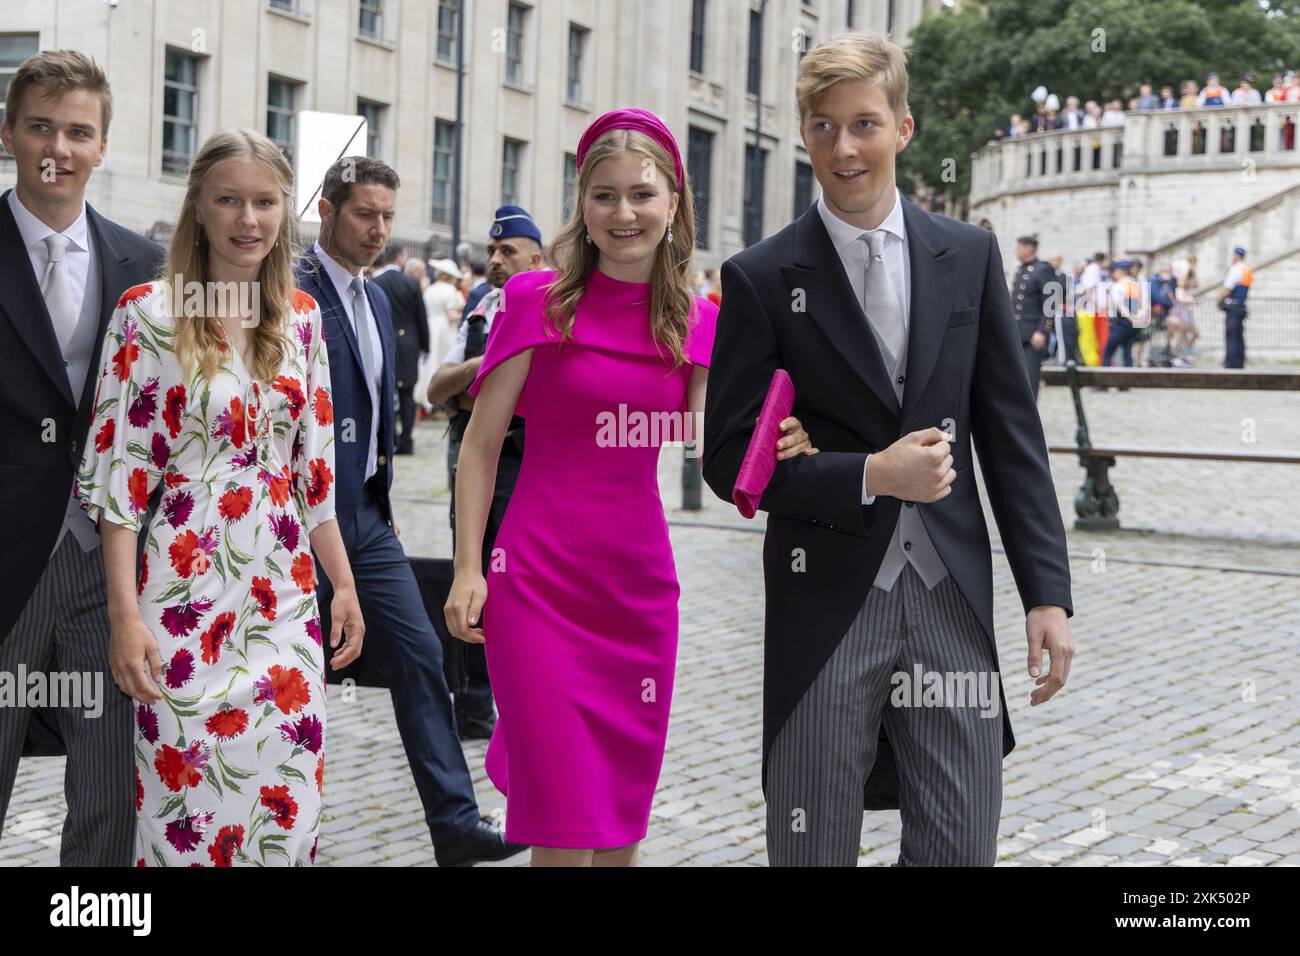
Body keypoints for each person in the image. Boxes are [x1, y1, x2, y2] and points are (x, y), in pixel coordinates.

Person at [702, 31, 1074, 868]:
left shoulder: (970, 256)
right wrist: (870, 475)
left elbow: (1012, 437)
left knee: (961, 849)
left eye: (865, 123)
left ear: (904, 129)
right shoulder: (761, 277)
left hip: (953, 603)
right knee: (812, 847)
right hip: (824, 602)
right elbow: (726, 460)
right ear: (804, 132)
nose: (845, 147)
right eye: (825, 126)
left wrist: (1047, 594)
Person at [442, 107, 815, 866]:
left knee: (617, 822)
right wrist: (469, 570)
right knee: (563, 817)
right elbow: (480, 447)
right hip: (536, 582)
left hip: (636, 592)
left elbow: (707, 449)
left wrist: (784, 441)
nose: (624, 213)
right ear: (583, 203)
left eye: (641, 194)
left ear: (674, 201)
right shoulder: (536, 302)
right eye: (604, 195)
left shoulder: (698, 322)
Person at [76, 128, 364, 866]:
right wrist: (122, 619)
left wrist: (344, 585)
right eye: (229, 200)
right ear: (198, 208)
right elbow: (117, 487)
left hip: (285, 602)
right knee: (183, 817)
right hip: (180, 601)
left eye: (266, 202)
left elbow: (316, 476)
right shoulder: (146, 315)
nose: (249, 220)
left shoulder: (301, 318)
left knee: (287, 812)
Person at [294, 157, 524, 866]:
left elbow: (380, 406)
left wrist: (380, 497)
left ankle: (454, 826)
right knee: (296, 677)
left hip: (364, 518)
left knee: (421, 654)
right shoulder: (293, 291)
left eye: (388, 216)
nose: (379, 230)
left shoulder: (380, 296)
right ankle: (278, 828)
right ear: (327, 212)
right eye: (365, 214)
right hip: (296, 523)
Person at [0, 49, 162, 866]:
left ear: (102, 145)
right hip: (4, 563)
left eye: (77, 131)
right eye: (39, 127)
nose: (57, 147)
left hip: (112, 572)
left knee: (110, 800)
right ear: (8, 135)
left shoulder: (149, 268)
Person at [427, 209, 543, 739]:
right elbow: (434, 389)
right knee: (468, 578)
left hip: (527, 467)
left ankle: (524, 701)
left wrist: (472, 384)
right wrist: (483, 367)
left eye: (509, 252)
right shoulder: (481, 310)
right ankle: (473, 710)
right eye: (492, 253)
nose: (495, 261)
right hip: (474, 465)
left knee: (519, 587)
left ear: (537, 259)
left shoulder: (551, 310)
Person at [370, 244, 429, 455]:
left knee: (386, 392)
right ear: (402, 257)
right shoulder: (411, 284)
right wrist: (425, 346)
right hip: (409, 345)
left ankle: (390, 438)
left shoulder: (376, 282)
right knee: (407, 394)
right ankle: (406, 441)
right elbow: (421, 317)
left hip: (384, 342)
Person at [1011, 235, 1058, 398]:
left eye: (1019, 248)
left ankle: (1029, 421)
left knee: (1030, 380)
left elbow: (1051, 304)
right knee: (1015, 380)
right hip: (1017, 333)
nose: (1016, 251)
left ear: (1029, 248)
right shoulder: (1021, 270)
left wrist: (1042, 331)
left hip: (1033, 335)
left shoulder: (1044, 269)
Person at [420, 257, 464, 413]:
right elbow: (452, 316)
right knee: (443, 362)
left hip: (430, 327)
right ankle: (442, 400)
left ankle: (427, 398)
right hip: (444, 329)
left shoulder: (430, 289)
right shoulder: (450, 290)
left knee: (430, 363)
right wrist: (463, 312)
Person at [1217, 246, 1251, 369]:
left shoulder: (1235, 269)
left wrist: (1219, 300)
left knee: (1231, 336)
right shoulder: (1246, 269)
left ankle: (1231, 363)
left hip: (1232, 307)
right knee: (1239, 336)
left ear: (1236, 256)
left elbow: (1228, 288)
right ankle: (1239, 362)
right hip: (1241, 306)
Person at [1103, 259, 1140, 368]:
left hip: (1122, 322)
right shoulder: (1135, 284)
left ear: (1123, 271)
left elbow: (1120, 306)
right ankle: (1127, 382)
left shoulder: (1118, 285)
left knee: (1108, 351)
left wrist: (1131, 319)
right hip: (1133, 323)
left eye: (1116, 270)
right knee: (1127, 352)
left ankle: (1102, 381)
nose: (1114, 273)